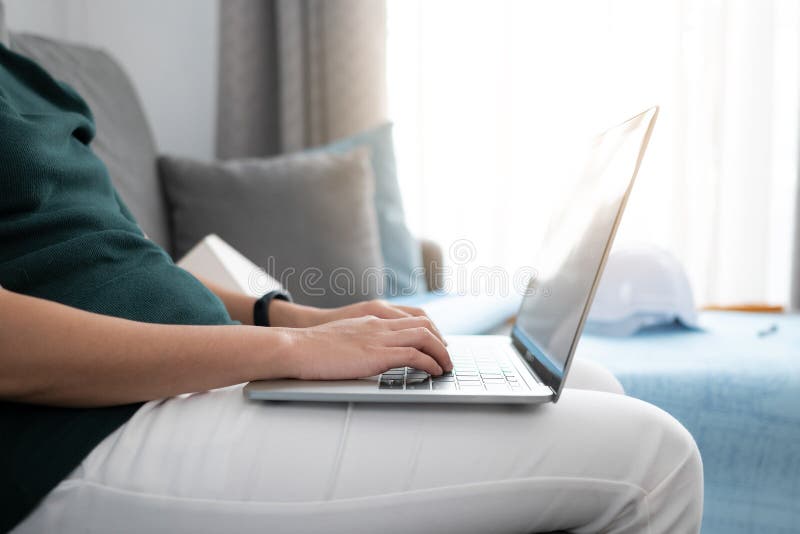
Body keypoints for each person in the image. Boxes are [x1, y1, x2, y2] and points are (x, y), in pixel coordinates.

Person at [0, 41, 703, 533]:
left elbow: (130, 263)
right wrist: (293, 355)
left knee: (593, 385)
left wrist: (303, 321)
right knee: (654, 460)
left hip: (189, 371)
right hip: (76, 431)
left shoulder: (26, 77)